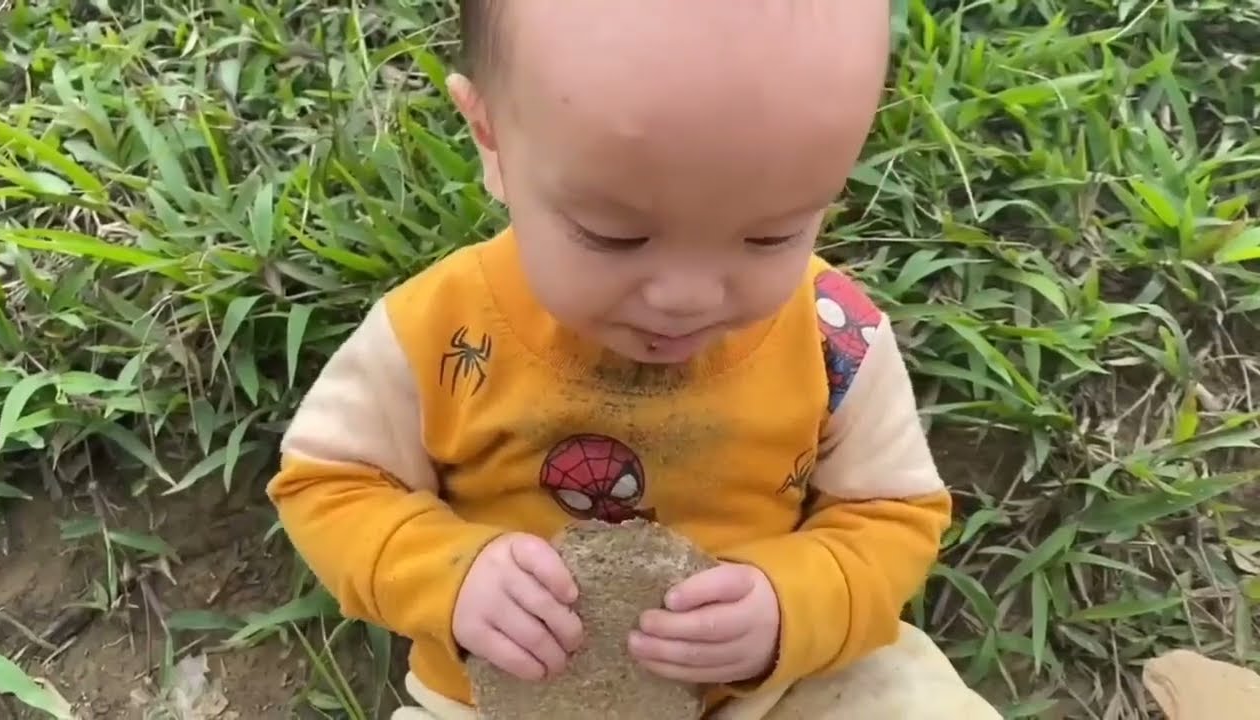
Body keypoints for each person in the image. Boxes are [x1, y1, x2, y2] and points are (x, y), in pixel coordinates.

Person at [266, 1, 1002, 717]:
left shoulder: (832, 340)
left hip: (784, 690)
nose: (686, 298)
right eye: (615, 237)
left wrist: (790, 606)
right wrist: (450, 577)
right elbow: (329, 484)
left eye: (771, 236)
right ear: (490, 137)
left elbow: (893, 515)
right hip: (505, 700)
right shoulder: (439, 334)